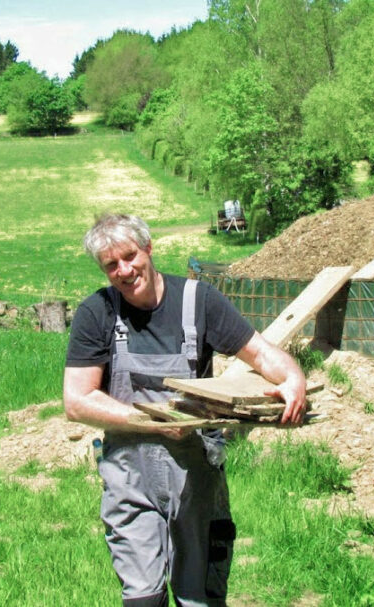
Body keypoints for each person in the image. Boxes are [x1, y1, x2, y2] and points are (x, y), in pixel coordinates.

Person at [63, 213, 307, 607]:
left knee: (200, 598)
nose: (124, 271)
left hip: (195, 477)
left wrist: (293, 379)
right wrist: (154, 423)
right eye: (111, 264)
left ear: (148, 248)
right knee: (142, 598)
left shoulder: (199, 302)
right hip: (129, 475)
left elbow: (260, 353)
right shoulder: (98, 312)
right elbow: (77, 401)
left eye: (129, 256)